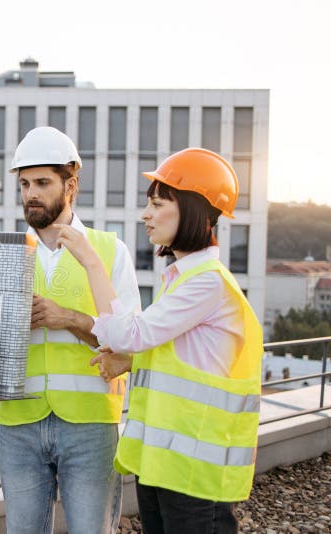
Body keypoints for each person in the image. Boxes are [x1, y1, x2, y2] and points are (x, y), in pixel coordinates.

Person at [57, 147, 263, 533]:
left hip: (192, 474)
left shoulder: (207, 284)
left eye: (157, 204)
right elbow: (186, 355)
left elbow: (130, 333)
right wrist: (132, 361)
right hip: (166, 466)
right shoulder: (184, 279)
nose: (145, 215)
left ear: (192, 211)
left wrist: (91, 262)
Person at [0, 127, 141, 533]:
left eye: (42, 183)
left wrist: (70, 319)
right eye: (25, 184)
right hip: (19, 422)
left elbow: (132, 343)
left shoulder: (109, 251)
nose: (31, 194)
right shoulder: (4, 253)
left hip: (90, 423)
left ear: (71, 186)